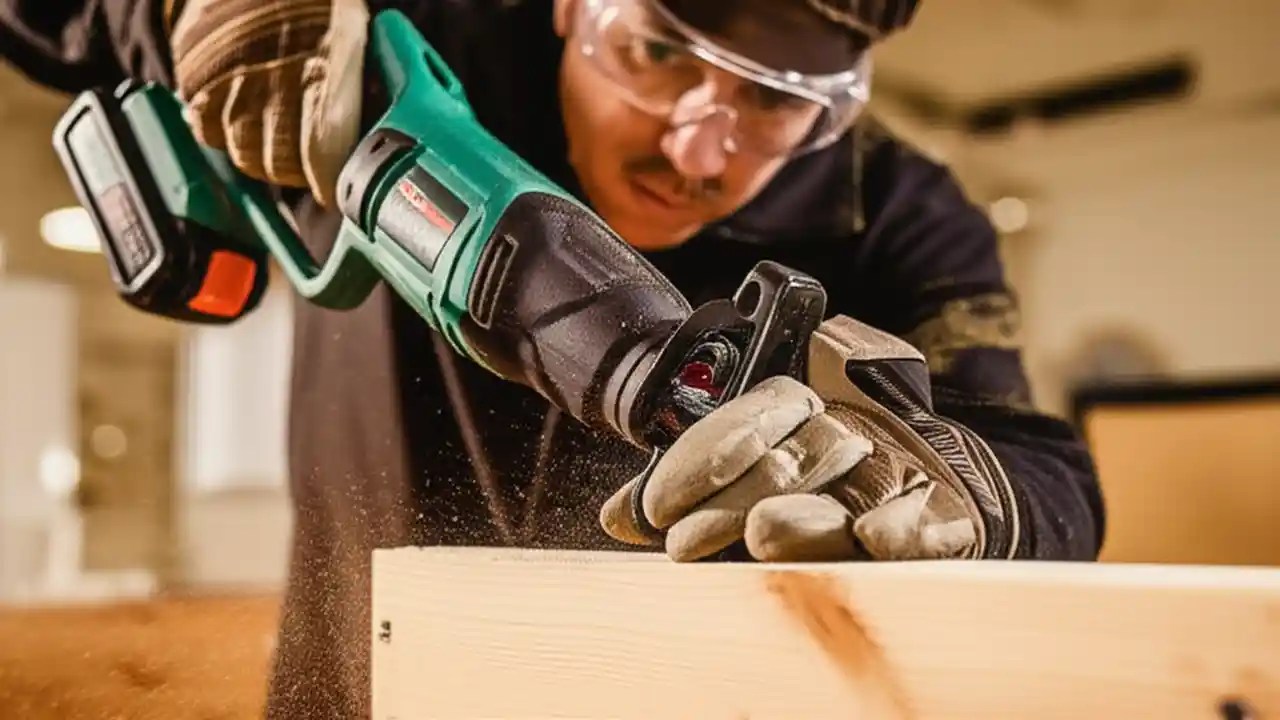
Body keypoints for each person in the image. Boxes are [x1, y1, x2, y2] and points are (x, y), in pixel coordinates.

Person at [0, 0, 1104, 716]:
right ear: (573, 5)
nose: (696, 148)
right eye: (657, 52)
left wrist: (948, 484)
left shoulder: (903, 211)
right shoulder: (416, 45)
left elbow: (1050, 477)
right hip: (353, 689)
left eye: (774, 102)